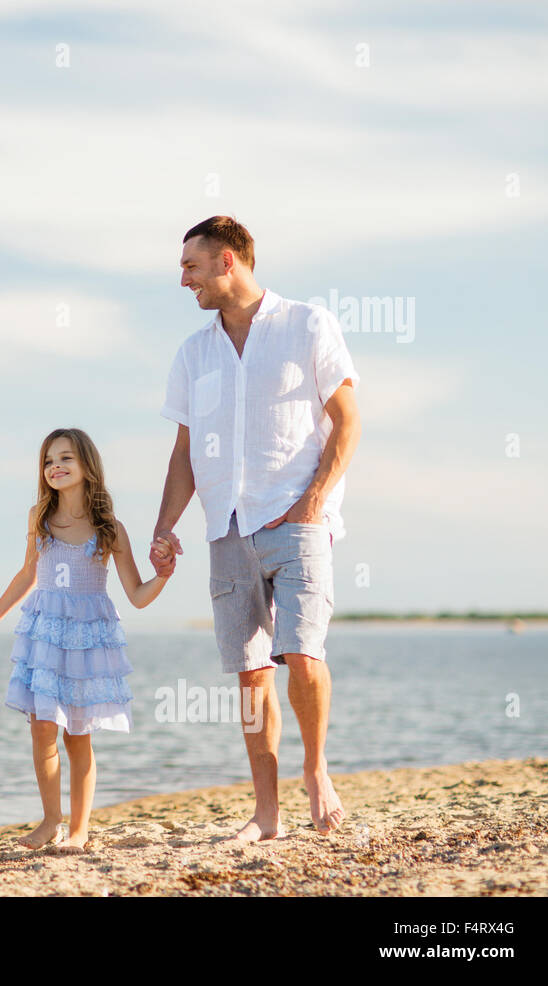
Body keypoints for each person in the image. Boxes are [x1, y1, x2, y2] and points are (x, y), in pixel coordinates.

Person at [151, 216, 362, 842]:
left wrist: (315, 501)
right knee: (249, 675)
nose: (182, 278)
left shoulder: (308, 324)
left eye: (190, 266)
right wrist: (164, 526)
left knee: (301, 653)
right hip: (226, 529)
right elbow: (184, 451)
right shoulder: (194, 352)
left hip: (297, 519)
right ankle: (266, 813)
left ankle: (317, 771)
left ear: (227, 262)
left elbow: (348, 421)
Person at [0, 428, 175, 852]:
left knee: (78, 734)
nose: (55, 466)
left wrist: (162, 576)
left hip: (87, 640)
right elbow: (27, 574)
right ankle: (51, 819)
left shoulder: (109, 527)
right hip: (46, 634)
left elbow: (138, 596)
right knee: (41, 729)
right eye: (49, 460)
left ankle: (79, 828)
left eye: (65, 458)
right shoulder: (39, 516)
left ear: (88, 466)